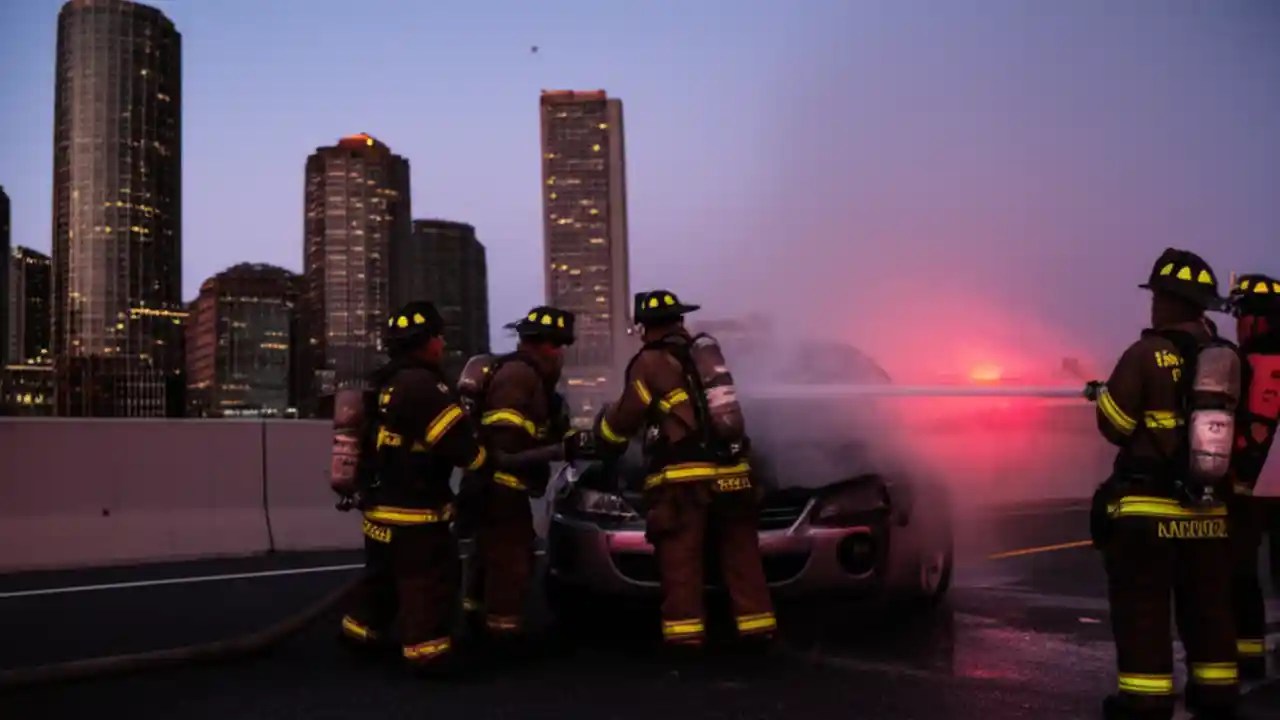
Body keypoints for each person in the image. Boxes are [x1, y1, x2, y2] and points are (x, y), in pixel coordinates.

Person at [1086, 249, 1239, 719]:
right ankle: (1215, 692)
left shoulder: (1145, 354)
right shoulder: (1227, 358)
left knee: (1142, 608)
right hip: (1210, 514)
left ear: (1170, 301)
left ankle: (1146, 700)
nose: (1153, 306)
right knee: (1209, 606)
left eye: (1157, 297)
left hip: (1150, 514)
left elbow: (1114, 425)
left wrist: (1103, 397)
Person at [589, 289, 775, 652]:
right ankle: (758, 629)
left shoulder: (649, 362)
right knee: (742, 557)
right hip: (733, 472)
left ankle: (685, 638)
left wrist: (603, 437)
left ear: (644, 328)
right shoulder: (703, 354)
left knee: (680, 560)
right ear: (679, 321)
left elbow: (626, 417)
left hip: (683, 480)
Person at [337, 301, 490, 675]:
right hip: (417, 516)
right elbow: (463, 451)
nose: (441, 344)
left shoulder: (383, 382)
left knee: (380, 580)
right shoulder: (427, 385)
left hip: (379, 512)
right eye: (439, 336)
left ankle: (360, 635)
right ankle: (428, 653)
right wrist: (486, 457)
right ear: (429, 341)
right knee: (429, 584)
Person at [463, 306, 575, 652]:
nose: (561, 356)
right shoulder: (518, 376)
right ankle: (502, 636)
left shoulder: (534, 382)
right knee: (511, 563)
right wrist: (557, 450)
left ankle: (476, 622)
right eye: (559, 347)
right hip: (501, 490)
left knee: (488, 558)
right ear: (545, 346)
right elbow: (503, 449)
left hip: (496, 490)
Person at [1226, 273, 1280, 680]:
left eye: (1242, 314)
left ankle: (1249, 657)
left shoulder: (1240, 364)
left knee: (1241, 576)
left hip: (1245, 490)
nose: (1238, 323)